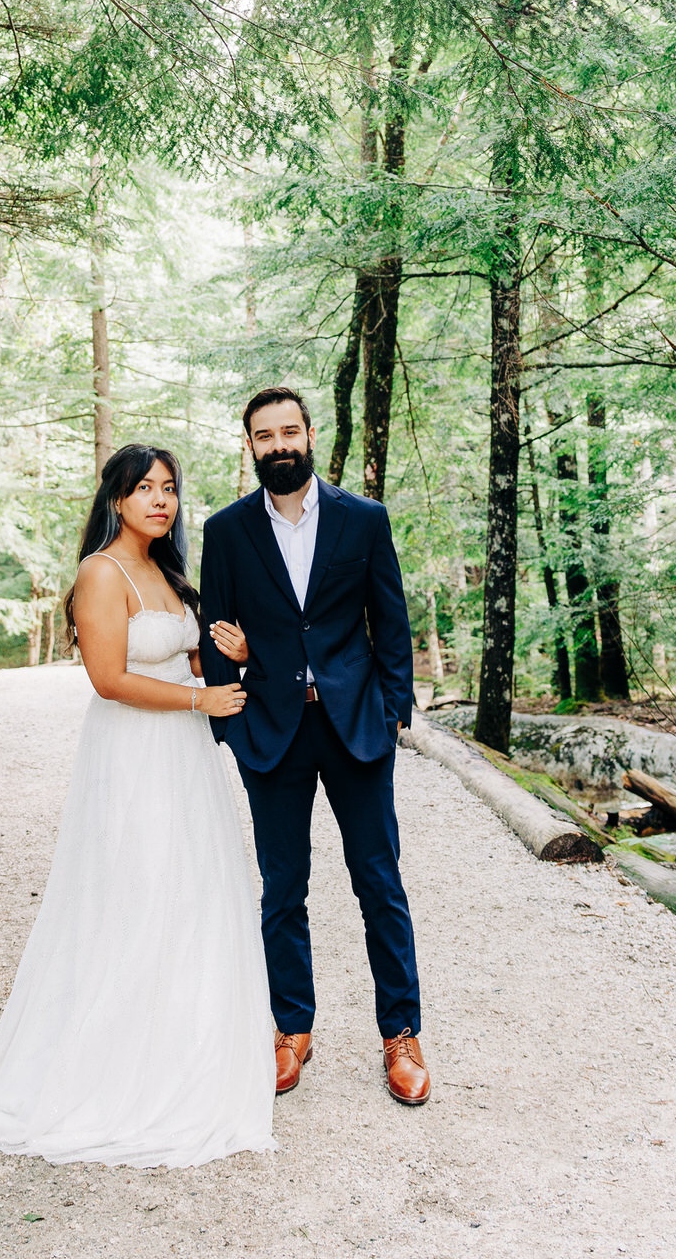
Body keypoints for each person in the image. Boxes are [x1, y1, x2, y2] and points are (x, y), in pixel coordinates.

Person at [0, 444, 276, 1167]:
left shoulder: (169, 573)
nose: (160, 500)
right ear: (116, 498)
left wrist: (238, 654)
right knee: (136, 892)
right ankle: (109, 1067)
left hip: (185, 756)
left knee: (190, 896)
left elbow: (192, 659)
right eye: (145, 488)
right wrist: (201, 699)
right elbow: (108, 678)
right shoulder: (101, 572)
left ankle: (180, 1052)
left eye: (169, 489)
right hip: (131, 753)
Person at [198, 387, 429, 1106]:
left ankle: (401, 1034)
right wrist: (230, 721)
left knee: (379, 883)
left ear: (310, 434)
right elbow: (216, 629)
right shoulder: (226, 531)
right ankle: (290, 1029)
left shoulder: (364, 519)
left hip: (356, 727)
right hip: (272, 732)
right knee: (282, 889)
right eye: (264, 436)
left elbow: (390, 621)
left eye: (289, 431)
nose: (279, 445)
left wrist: (393, 712)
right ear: (250, 445)